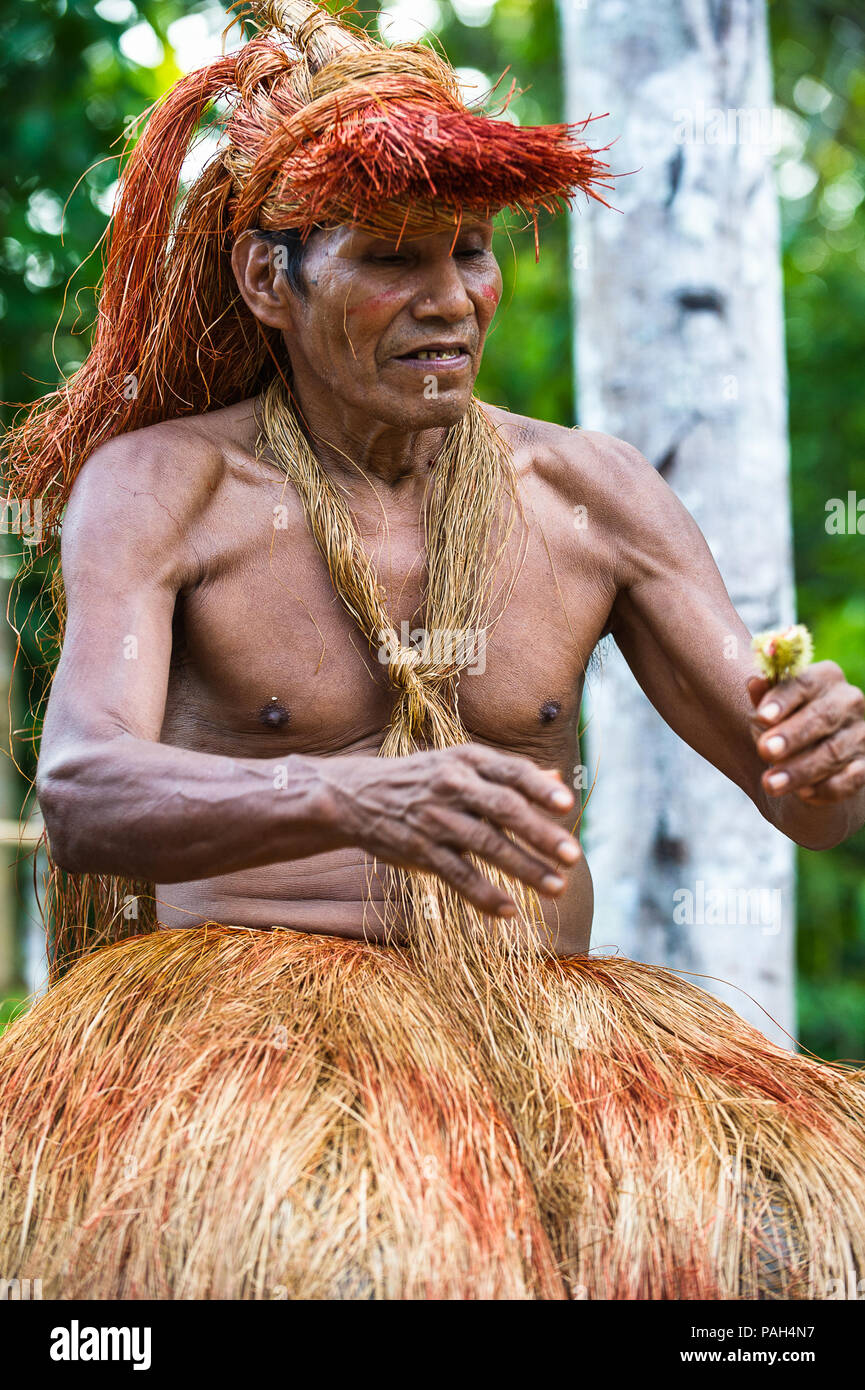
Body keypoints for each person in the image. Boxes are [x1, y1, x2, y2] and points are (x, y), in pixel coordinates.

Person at [1, 0, 863, 1300]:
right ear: (265, 280)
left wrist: (830, 754)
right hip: (252, 1042)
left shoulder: (592, 495)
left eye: (469, 251)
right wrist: (351, 792)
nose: (449, 300)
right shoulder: (165, 486)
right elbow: (82, 794)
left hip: (550, 1030)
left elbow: (803, 801)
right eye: (391, 260)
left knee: (786, 1253)